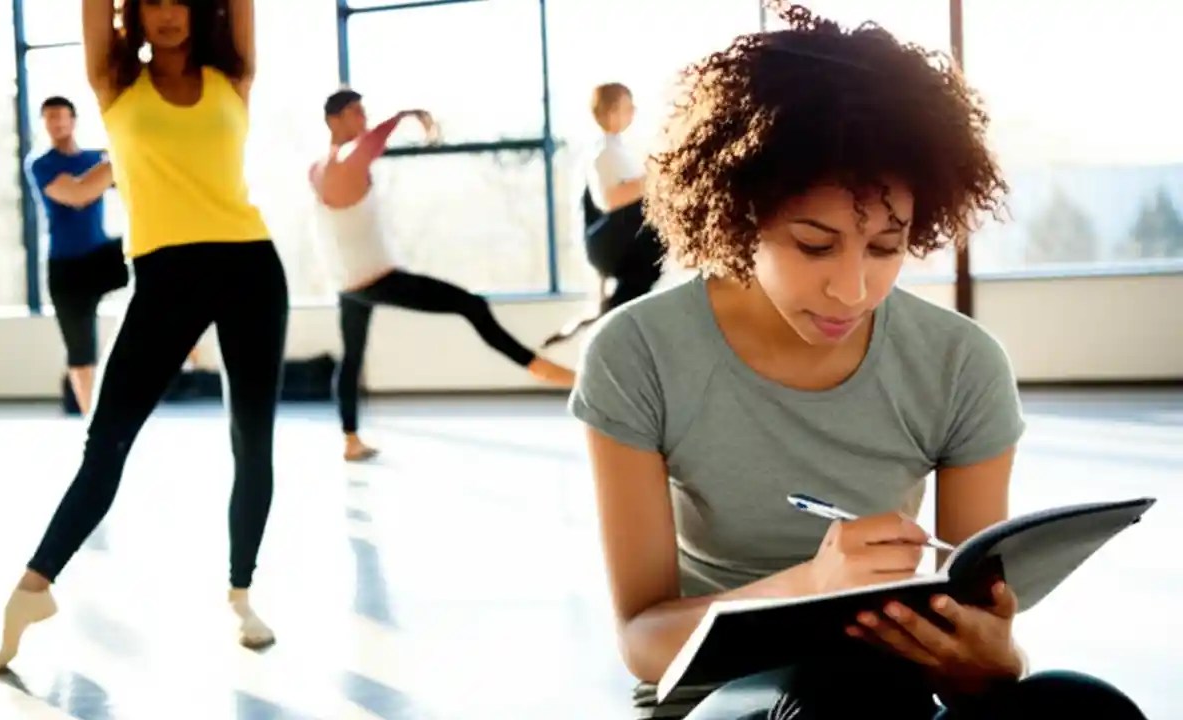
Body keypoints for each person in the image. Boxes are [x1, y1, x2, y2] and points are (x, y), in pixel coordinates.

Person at [568, 5, 1147, 719]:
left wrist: (993, 656)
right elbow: (643, 640)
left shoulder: (961, 365)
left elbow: (968, 611)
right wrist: (811, 583)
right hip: (717, 698)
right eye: (815, 244)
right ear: (740, 215)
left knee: (1080, 708)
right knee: (824, 705)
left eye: (884, 247)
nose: (854, 289)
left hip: (889, 691)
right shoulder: (637, 354)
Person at [0, 0, 288, 673]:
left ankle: (241, 594)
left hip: (249, 268)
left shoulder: (233, 77)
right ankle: (33, 587)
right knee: (107, 443)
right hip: (163, 276)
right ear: (133, 13)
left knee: (252, 440)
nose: (170, 13)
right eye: (153, 0)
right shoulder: (112, 84)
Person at [310, 89, 575, 462]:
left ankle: (350, 440)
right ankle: (540, 368)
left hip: (350, 285)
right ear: (332, 119)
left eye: (364, 111)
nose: (363, 118)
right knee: (471, 305)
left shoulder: (320, 168)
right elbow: (372, 143)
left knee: (351, 358)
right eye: (355, 112)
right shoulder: (342, 165)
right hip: (376, 280)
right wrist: (407, 112)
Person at [543, 82, 667, 348]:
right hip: (608, 244)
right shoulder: (603, 153)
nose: (633, 111)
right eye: (627, 106)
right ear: (611, 112)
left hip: (622, 245)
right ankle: (608, 324)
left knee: (642, 275)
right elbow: (609, 199)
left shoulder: (620, 150)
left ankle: (609, 319)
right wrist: (656, 178)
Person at [26, 95, 126, 417]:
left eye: (61, 116)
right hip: (67, 269)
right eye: (49, 118)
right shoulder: (41, 165)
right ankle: (90, 422)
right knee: (81, 351)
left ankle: (185, 341)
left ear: (73, 120)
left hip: (101, 256)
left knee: (157, 255)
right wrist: (122, 158)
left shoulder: (97, 158)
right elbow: (77, 194)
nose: (56, 123)